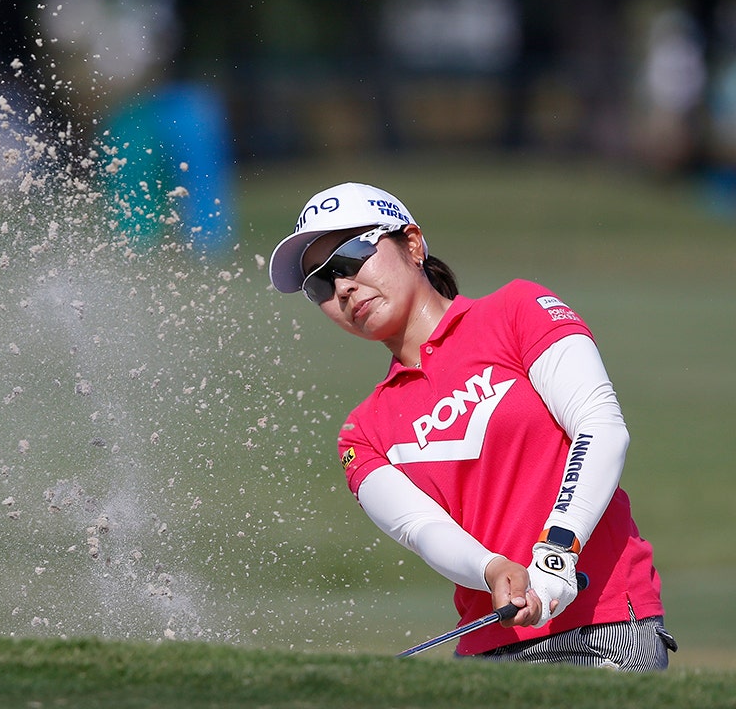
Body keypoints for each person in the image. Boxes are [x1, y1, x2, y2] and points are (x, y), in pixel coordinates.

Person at [268, 182, 676, 670]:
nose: (342, 287)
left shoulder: (517, 311)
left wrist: (557, 551)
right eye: (320, 283)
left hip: (605, 627)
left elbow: (601, 425)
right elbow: (423, 528)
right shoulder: (362, 433)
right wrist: (494, 569)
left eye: (351, 258)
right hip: (489, 648)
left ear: (413, 244)